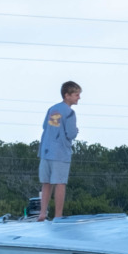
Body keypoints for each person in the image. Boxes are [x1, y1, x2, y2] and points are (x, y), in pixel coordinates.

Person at [37, 81, 80, 222]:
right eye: (76, 95)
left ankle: (42, 213)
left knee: (46, 183)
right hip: (60, 153)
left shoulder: (52, 109)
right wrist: (77, 131)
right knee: (60, 183)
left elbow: (45, 126)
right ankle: (58, 215)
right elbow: (71, 133)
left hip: (46, 151)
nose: (78, 98)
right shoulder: (69, 113)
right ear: (67, 95)